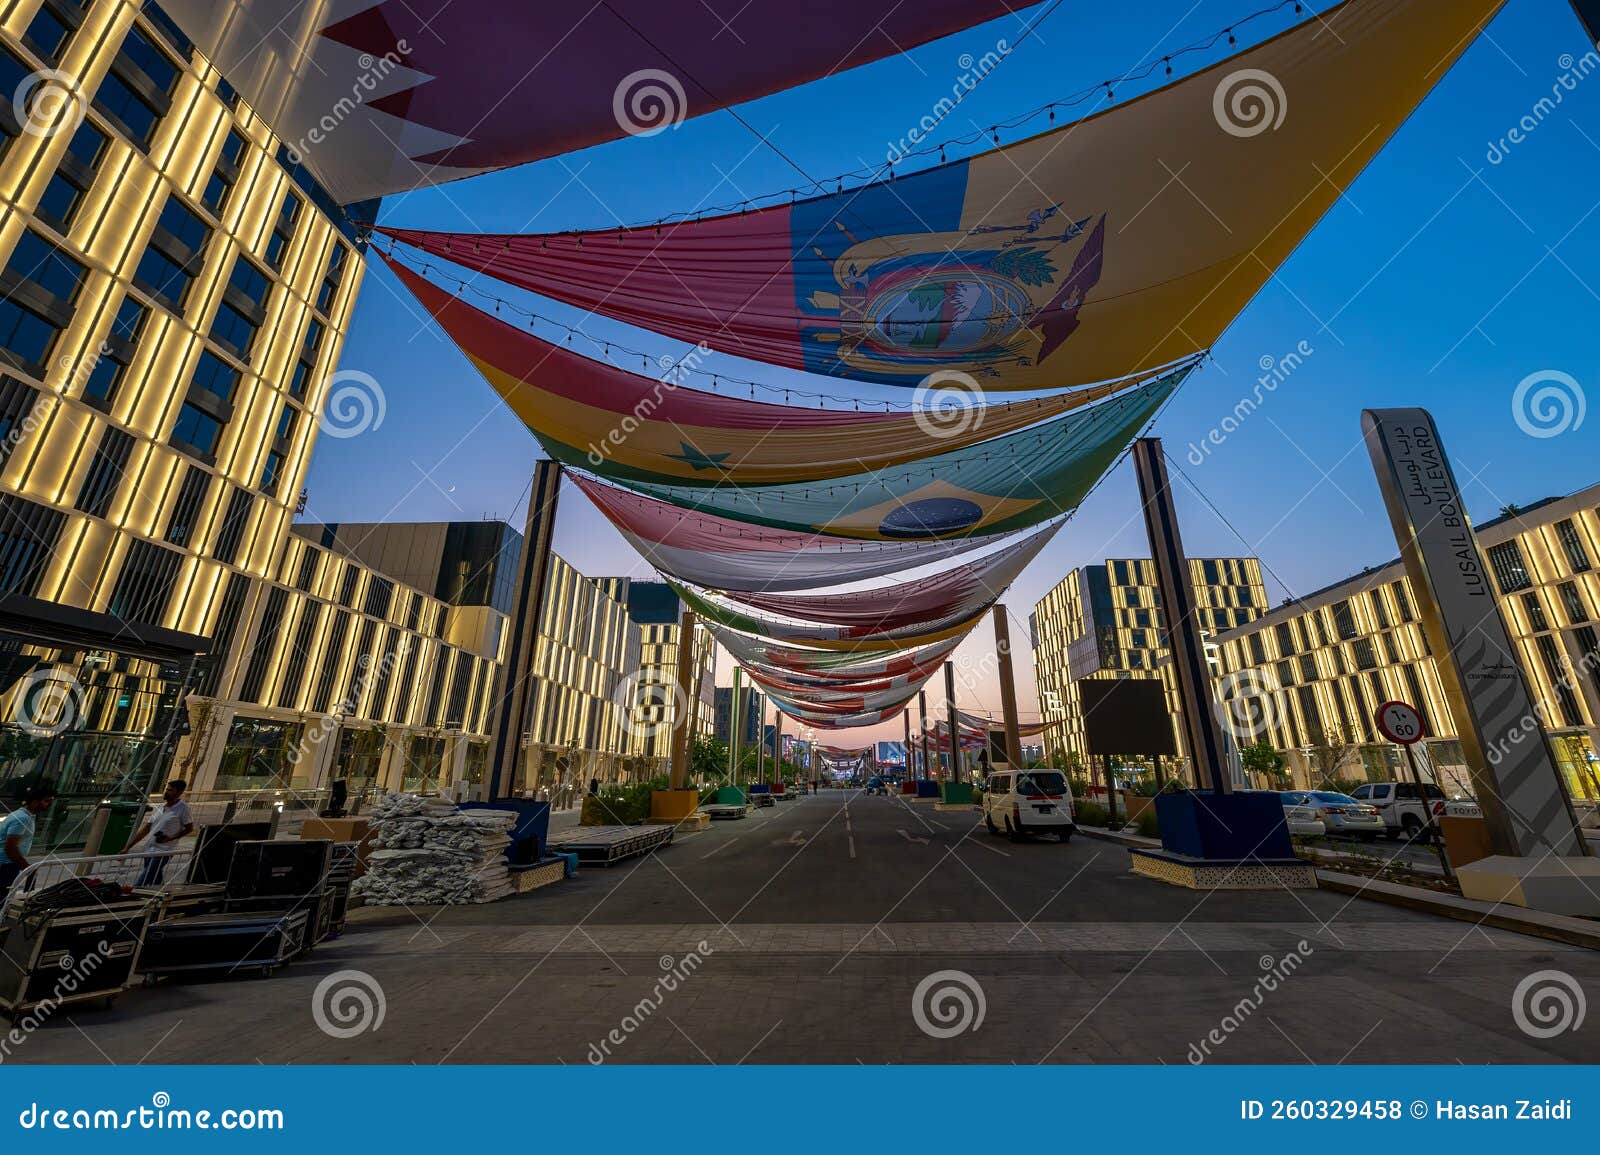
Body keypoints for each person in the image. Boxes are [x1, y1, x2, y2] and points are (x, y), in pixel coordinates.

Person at [124, 779, 194, 888]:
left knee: (147, 876)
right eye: (166, 789)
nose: (166, 792)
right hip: (149, 848)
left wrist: (170, 838)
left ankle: (133, 892)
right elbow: (146, 829)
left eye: (170, 790)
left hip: (163, 851)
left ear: (179, 792)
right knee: (155, 876)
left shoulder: (183, 808)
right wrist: (128, 847)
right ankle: (161, 891)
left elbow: (189, 828)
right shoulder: (160, 807)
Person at [0, 785, 56, 897]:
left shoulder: (25, 816)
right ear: (35, 802)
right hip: (5, 865)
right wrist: (27, 868)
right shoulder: (23, 818)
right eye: (46, 801)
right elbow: (10, 847)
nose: (49, 805)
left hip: (8, 864)